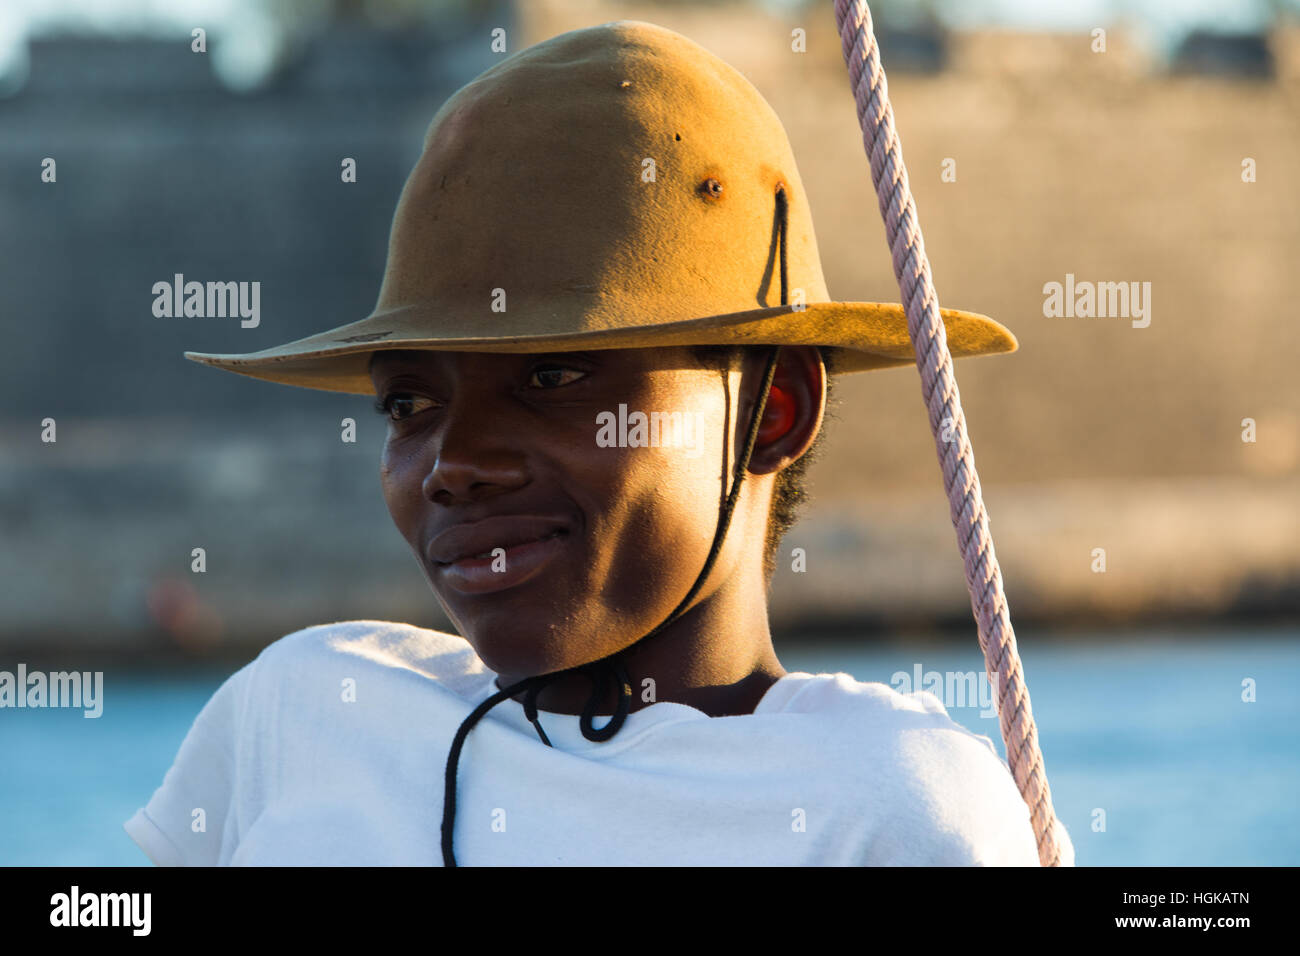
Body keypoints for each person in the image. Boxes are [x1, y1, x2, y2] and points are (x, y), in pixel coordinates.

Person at [123, 19, 1074, 866]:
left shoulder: (897, 809)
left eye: (551, 379)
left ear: (775, 410)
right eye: (408, 405)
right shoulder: (302, 712)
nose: (454, 464)